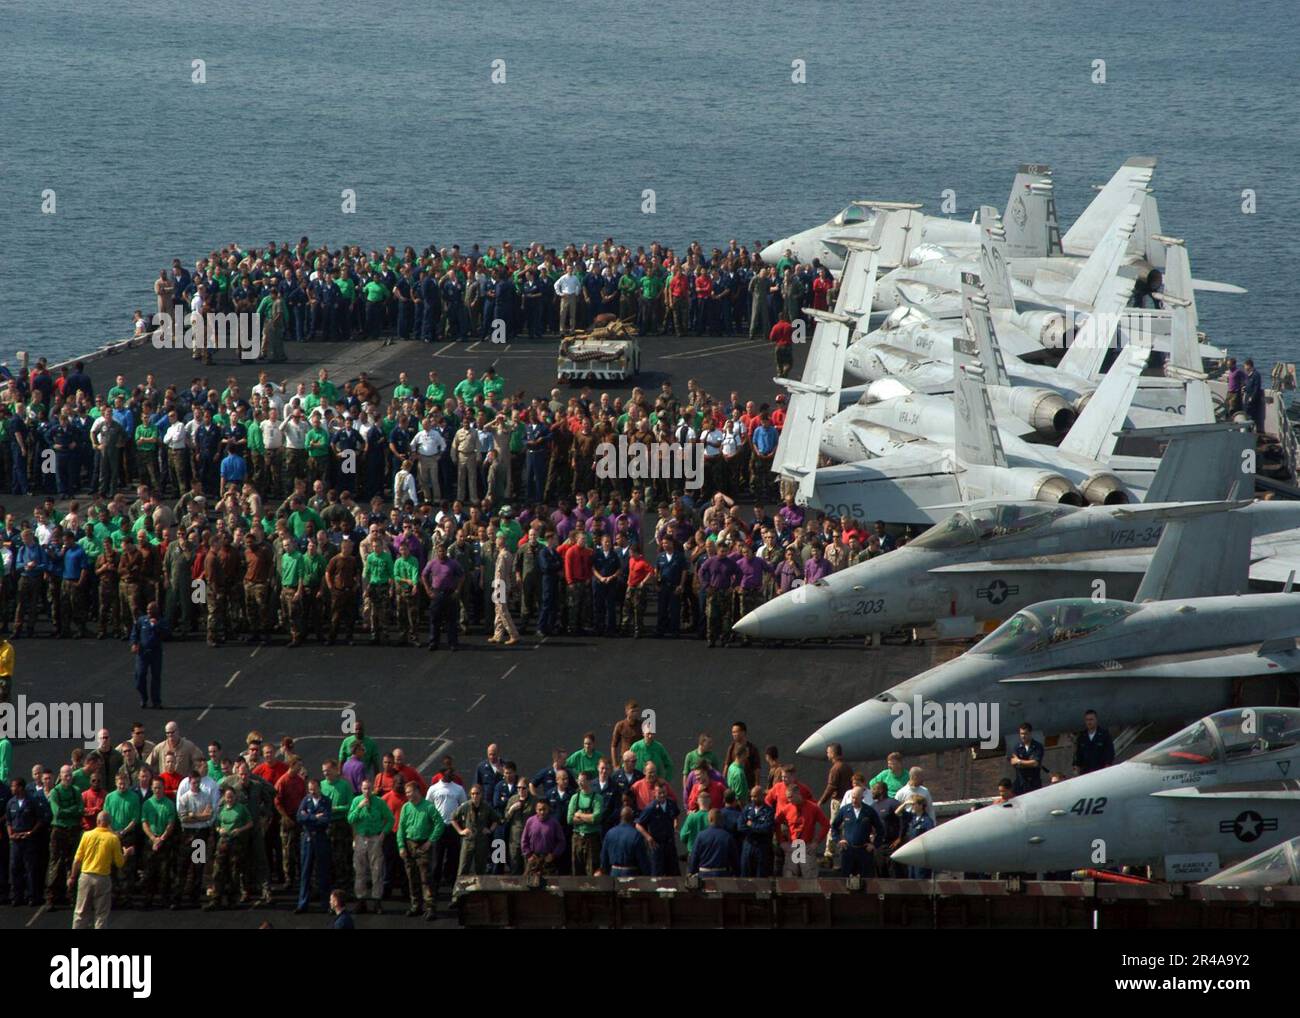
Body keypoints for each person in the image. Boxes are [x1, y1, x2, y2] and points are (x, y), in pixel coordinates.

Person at [69, 811, 128, 929]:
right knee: (101, 914)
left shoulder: (87, 835)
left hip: (86, 876)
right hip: (102, 878)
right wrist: (126, 854)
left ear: (97, 821)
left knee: (80, 912)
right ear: (109, 823)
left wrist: (72, 877)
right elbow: (119, 863)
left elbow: (77, 859)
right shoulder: (113, 838)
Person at [397, 779, 444, 920]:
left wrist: (430, 841)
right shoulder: (406, 807)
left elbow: (439, 824)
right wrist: (401, 846)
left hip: (423, 844)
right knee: (412, 877)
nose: (408, 795)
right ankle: (416, 905)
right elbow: (401, 827)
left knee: (426, 877)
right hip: (409, 843)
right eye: (406, 793)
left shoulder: (428, 807)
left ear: (417, 791)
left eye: (410, 792)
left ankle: (430, 907)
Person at [295, 777, 332, 914]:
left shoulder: (326, 801)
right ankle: (302, 903)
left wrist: (308, 817)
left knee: (323, 873)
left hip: (321, 839)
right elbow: (299, 817)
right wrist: (314, 817)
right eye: (310, 790)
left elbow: (326, 820)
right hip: (307, 839)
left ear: (319, 788)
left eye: (314, 789)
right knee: (305, 872)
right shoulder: (306, 800)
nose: (312, 792)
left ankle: (326, 904)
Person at [832, 785, 884, 878]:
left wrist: (874, 844)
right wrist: (838, 840)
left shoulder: (869, 811)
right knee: (846, 878)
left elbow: (880, 829)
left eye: (856, 798)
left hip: (864, 851)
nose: (854, 801)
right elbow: (834, 826)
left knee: (867, 879)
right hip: (848, 850)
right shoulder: (844, 810)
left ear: (862, 798)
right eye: (852, 798)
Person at [129, 600, 170, 709]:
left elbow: (166, 634)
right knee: (140, 676)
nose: (148, 612)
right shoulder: (142, 620)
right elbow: (134, 633)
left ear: (156, 611)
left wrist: (156, 626)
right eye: (147, 610)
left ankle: (156, 701)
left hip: (156, 653)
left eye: (151, 610)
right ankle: (144, 697)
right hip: (142, 653)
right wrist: (134, 644)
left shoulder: (162, 621)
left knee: (156, 677)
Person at [597, 806, 651, 876]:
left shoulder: (610, 833)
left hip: (614, 873)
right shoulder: (636, 835)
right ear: (632, 818)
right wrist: (647, 873)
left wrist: (605, 870)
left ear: (620, 817)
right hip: (631, 874)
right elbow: (642, 860)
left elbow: (604, 857)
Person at [1072, 709, 1115, 775]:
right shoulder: (1082, 737)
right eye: (1087, 720)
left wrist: (1107, 769)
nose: (1089, 722)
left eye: (1091, 719)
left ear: (1096, 720)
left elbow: (1110, 753)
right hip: (1085, 773)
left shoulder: (1104, 735)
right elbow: (1078, 756)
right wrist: (1076, 768)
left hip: (1100, 772)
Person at [1008, 722, 1045, 795]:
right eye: (1021, 734)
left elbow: (1035, 763)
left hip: (1034, 784)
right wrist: (1028, 763)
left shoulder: (1037, 747)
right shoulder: (1017, 747)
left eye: (1025, 733)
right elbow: (1013, 763)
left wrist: (1019, 761)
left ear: (1030, 733)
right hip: (1021, 784)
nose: (1023, 736)